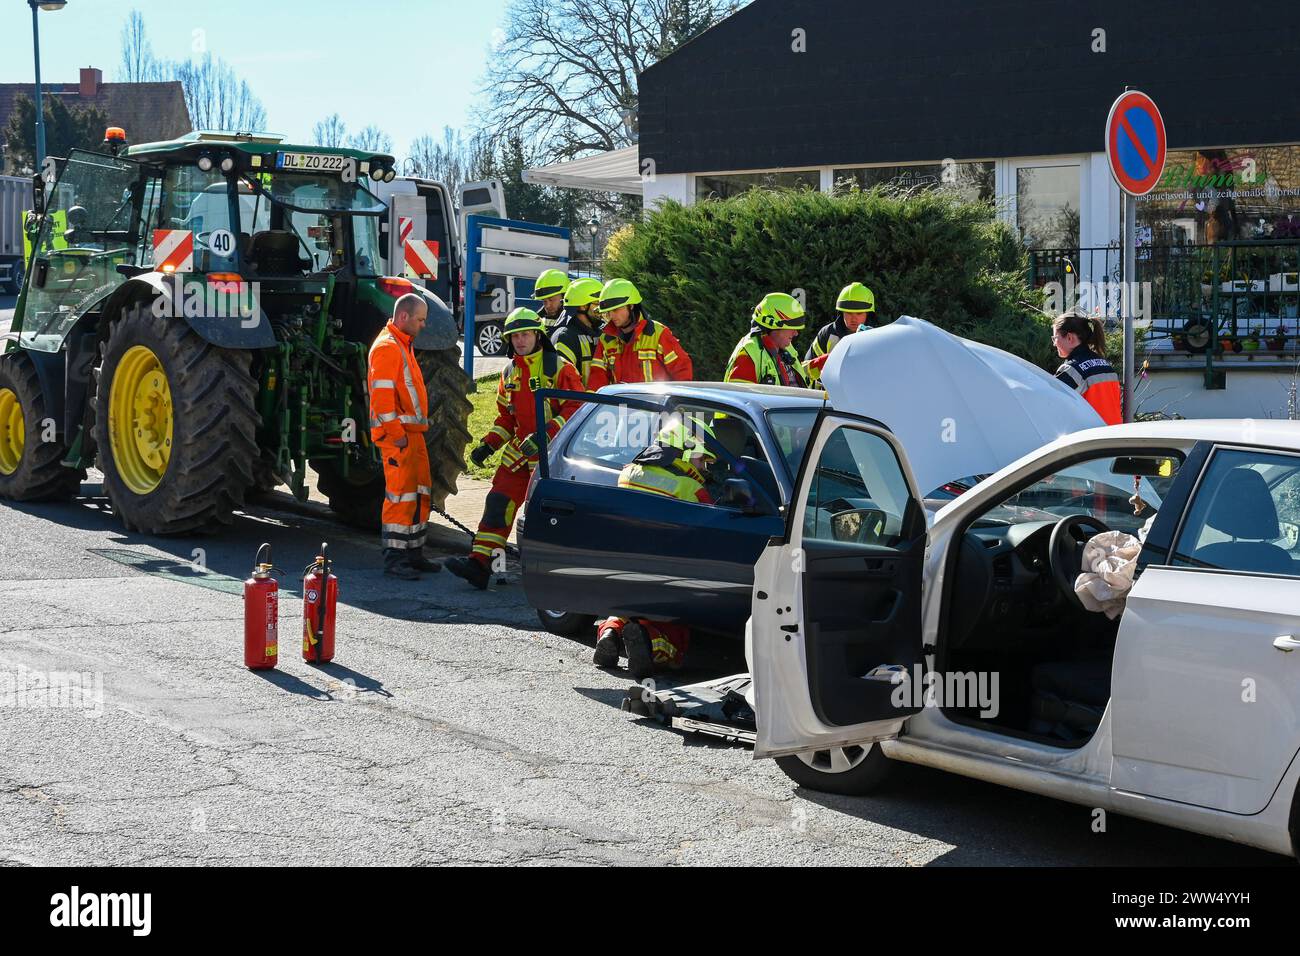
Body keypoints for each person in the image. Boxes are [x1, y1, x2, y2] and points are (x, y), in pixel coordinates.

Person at [445, 307, 585, 590]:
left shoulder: (559, 367)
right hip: (518, 457)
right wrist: (489, 444)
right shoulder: (509, 372)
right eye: (515, 336)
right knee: (497, 504)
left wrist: (544, 436)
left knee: (545, 518)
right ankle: (480, 564)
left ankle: (552, 574)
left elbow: (576, 409)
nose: (520, 341)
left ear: (537, 335)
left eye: (525, 334)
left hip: (551, 459)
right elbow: (506, 418)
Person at [593, 415, 718, 679]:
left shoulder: (628, 472)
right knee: (675, 634)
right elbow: (714, 528)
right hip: (667, 574)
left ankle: (610, 632)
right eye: (701, 460)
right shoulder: (691, 487)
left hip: (623, 567)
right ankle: (649, 643)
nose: (705, 469)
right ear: (684, 451)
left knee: (626, 610)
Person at [368, 293, 441, 579]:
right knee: (400, 497)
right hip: (398, 437)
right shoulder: (387, 347)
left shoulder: (402, 344)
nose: (423, 325)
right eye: (421, 319)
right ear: (404, 317)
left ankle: (414, 552)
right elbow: (382, 400)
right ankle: (395, 558)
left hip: (412, 435)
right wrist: (397, 434)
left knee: (419, 492)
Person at [585, 279, 693, 389]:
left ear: (631, 306)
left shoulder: (658, 334)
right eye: (608, 312)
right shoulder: (606, 339)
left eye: (616, 310)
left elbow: (682, 373)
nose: (611, 315)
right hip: (622, 405)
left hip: (653, 405)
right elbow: (596, 379)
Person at [724, 292, 811, 387]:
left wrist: (821, 363)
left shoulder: (785, 346)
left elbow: (797, 377)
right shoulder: (748, 354)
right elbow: (741, 398)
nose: (796, 333)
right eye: (792, 328)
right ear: (772, 324)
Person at [1053, 309, 1122, 425]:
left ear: (1070, 338)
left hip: (1090, 439)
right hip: (1114, 436)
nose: (1054, 343)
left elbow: (1052, 404)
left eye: (1055, 338)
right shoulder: (1106, 366)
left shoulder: (1071, 370)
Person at [805, 282, 877, 385]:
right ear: (841, 312)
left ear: (868, 314)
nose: (854, 318)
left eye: (859, 313)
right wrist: (827, 361)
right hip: (826, 398)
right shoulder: (827, 333)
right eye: (848, 313)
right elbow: (806, 371)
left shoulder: (877, 337)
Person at [549, 276, 604, 387]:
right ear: (583, 306)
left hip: (598, 402)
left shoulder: (599, 332)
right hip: (578, 402)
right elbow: (565, 381)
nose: (601, 310)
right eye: (597, 304)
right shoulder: (565, 337)